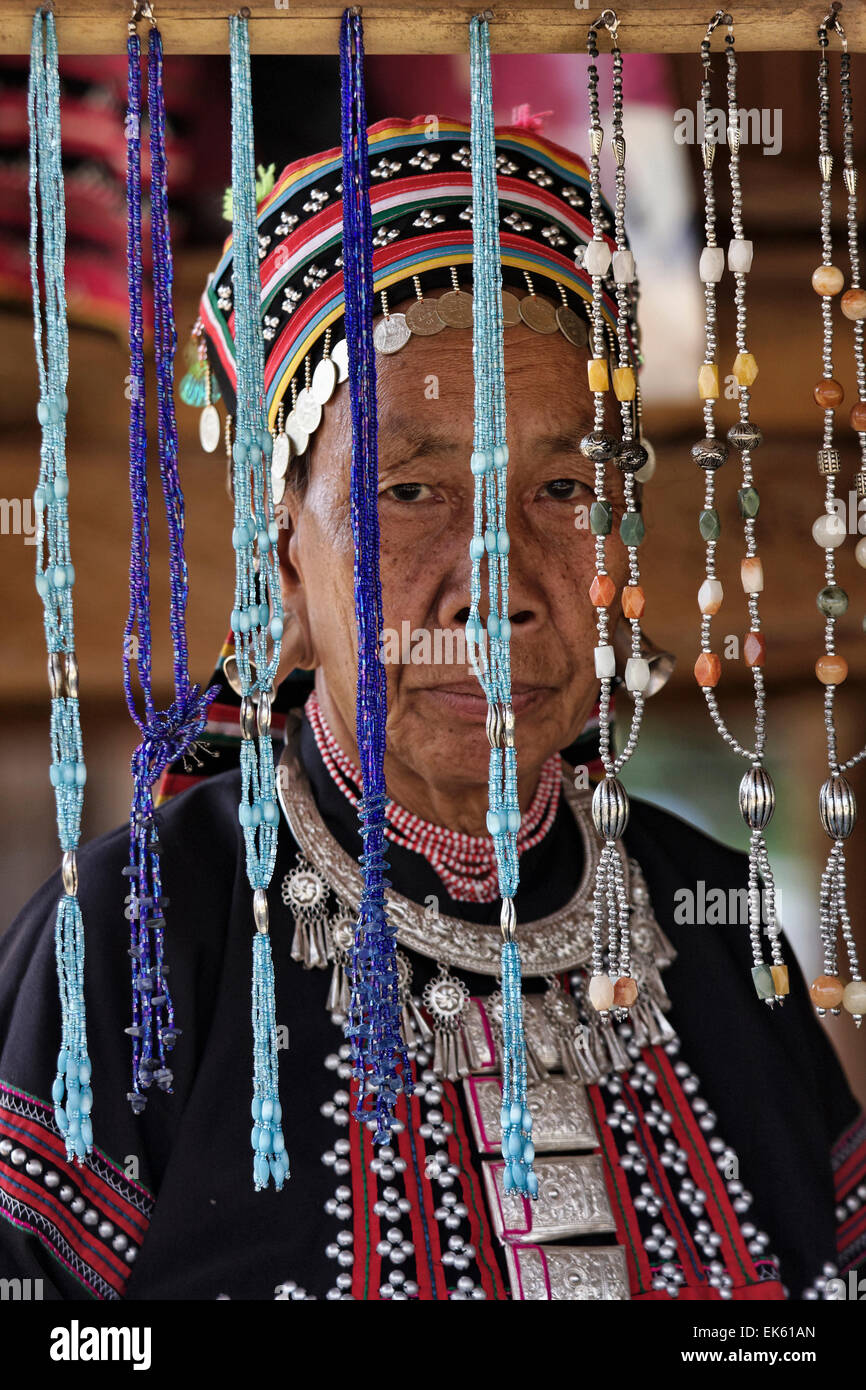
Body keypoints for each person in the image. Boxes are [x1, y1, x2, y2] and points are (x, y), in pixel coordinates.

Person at [1, 117, 862, 1302]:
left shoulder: (721, 933)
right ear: (281, 572)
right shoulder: (137, 940)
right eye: (406, 492)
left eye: (561, 489)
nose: (496, 587)